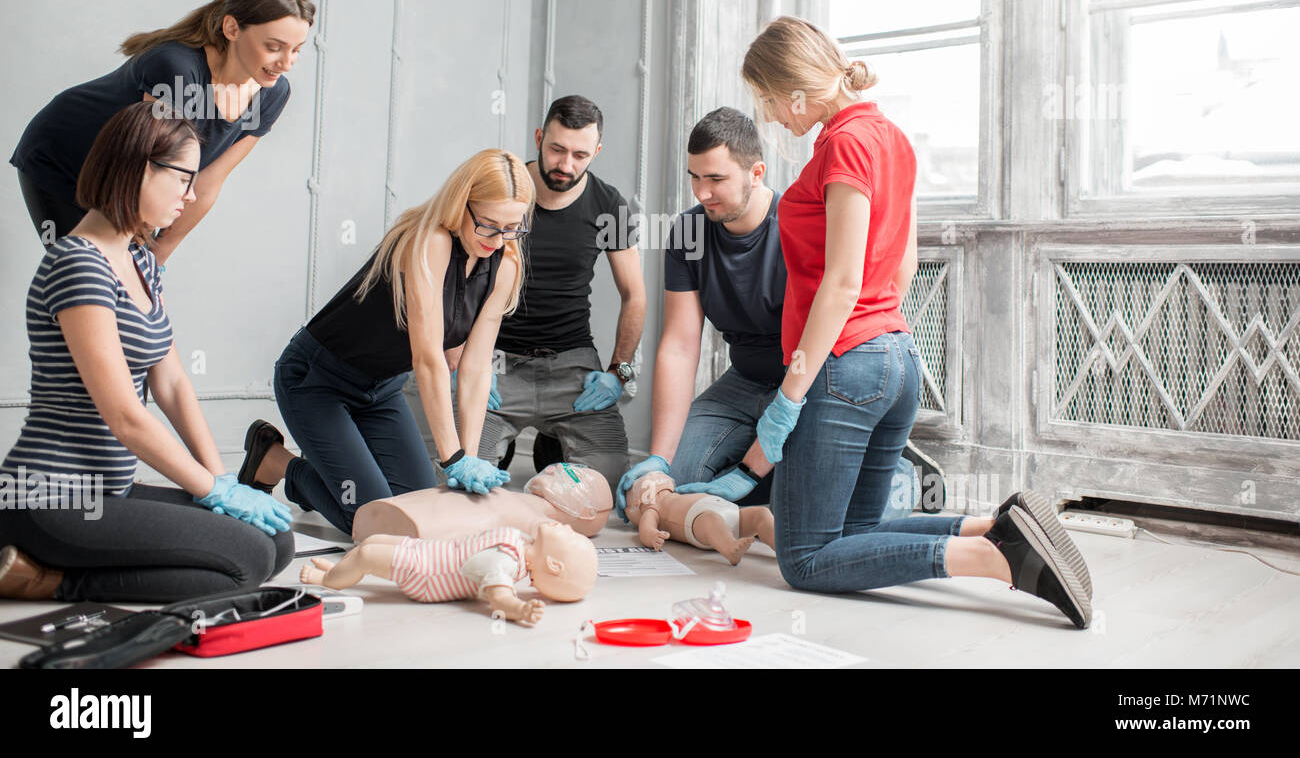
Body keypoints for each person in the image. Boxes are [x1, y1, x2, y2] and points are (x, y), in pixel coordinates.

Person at [736, 16, 1092, 628]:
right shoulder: (890, 137)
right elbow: (902, 268)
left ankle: (992, 559)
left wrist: (790, 395)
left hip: (845, 367)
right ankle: (994, 526)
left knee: (804, 558)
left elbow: (843, 280)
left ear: (794, 88)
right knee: (858, 532)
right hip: (895, 358)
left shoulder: (844, 143)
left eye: (767, 100)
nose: (769, 118)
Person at [0, 102, 293, 603]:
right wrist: (208, 491)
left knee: (276, 542)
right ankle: (45, 579)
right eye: (183, 178)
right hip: (53, 497)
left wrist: (222, 479)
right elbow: (124, 416)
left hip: (110, 492)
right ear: (139, 168)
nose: (192, 194)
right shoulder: (78, 264)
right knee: (247, 562)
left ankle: (50, 570)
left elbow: (172, 383)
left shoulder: (140, 261)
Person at [615, 108, 921, 521]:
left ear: (756, 172)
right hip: (742, 381)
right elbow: (680, 345)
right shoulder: (688, 232)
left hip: (809, 381)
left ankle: (869, 471)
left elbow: (876, 290)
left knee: (810, 510)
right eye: (695, 177)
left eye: (716, 179)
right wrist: (659, 458)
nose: (702, 192)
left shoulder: (799, 223)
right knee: (677, 482)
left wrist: (782, 418)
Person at [246, 150, 533, 536]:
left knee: (413, 512)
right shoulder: (430, 241)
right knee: (374, 523)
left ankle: (326, 477)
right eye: (488, 225)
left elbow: (476, 366)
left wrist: (470, 456)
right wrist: (453, 460)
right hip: (317, 380)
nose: (498, 240)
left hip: (380, 392)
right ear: (460, 206)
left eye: (512, 227)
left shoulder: (505, 262)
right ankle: (276, 462)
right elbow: (429, 358)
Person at [408, 96, 646, 494]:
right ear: (539, 138)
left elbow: (634, 295)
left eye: (580, 154)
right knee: (457, 479)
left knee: (607, 485)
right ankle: (514, 437)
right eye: (556, 149)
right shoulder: (508, 193)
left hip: (572, 363)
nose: (565, 165)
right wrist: (462, 356)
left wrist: (617, 372)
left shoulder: (608, 204)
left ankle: (551, 440)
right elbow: (455, 274)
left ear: (596, 152)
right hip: (495, 359)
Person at [10, 0, 313, 259]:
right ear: (232, 28)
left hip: (131, 179)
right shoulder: (176, 71)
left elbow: (207, 182)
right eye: (274, 47)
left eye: (296, 50)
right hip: (62, 157)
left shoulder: (273, 94)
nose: (287, 63)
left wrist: (159, 255)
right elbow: (145, 172)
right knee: (89, 279)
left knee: (132, 288)